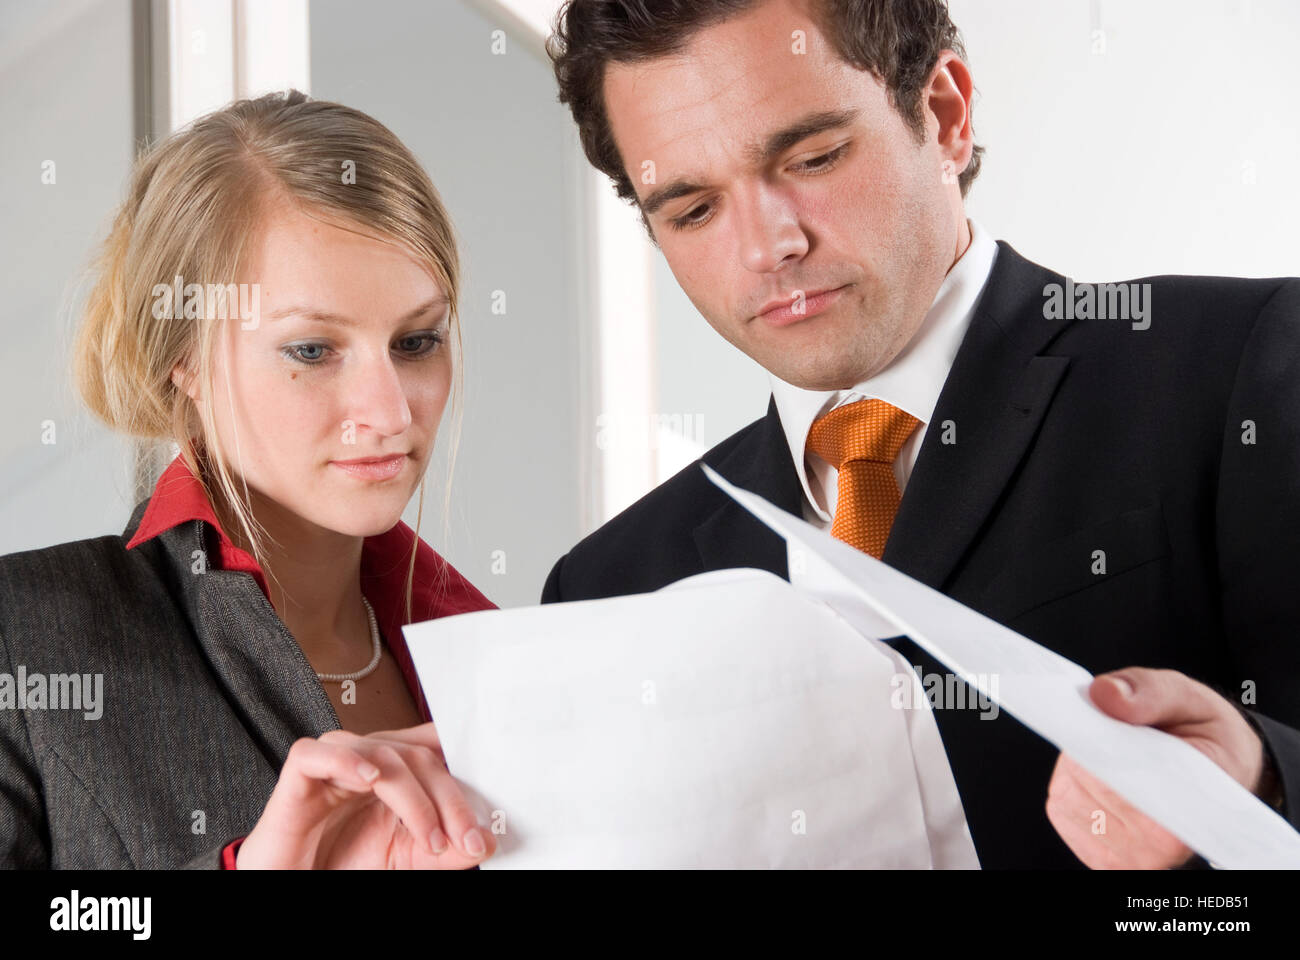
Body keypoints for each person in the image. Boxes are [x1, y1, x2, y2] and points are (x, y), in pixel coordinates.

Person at [541, 0, 1300, 868]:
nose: (768, 246)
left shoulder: (1245, 362)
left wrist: (1260, 788)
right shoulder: (606, 588)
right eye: (692, 210)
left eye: (813, 157)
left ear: (944, 115)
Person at [0, 90, 498, 869]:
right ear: (184, 359)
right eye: (311, 349)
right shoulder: (25, 641)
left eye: (416, 340)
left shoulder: (503, 657)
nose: (390, 409)